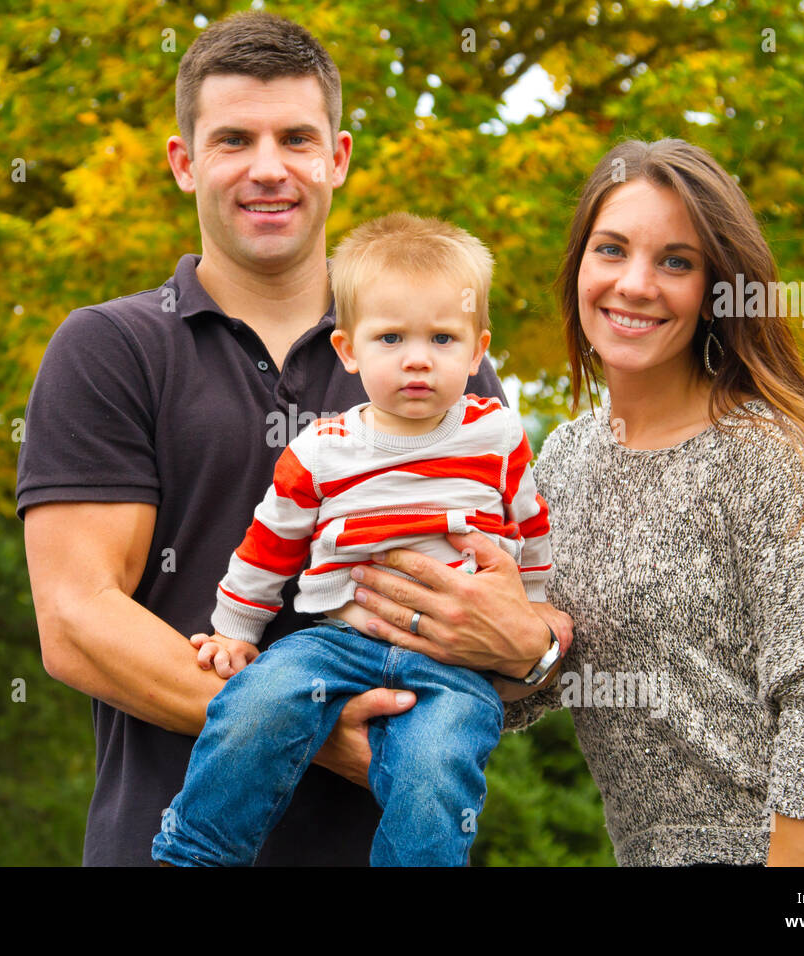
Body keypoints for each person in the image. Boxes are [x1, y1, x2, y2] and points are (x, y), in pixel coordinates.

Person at [16, 11, 561, 866]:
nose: (268, 169)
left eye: (296, 139)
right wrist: (303, 720)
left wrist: (533, 647)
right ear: (183, 161)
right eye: (233, 139)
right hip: (163, 842)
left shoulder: (438, 361)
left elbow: (513, 618)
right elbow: (78, 621)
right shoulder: (111, 349)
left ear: (336, 158)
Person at [494, 138, 804, 866]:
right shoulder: (562, 459)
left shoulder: (757, 453)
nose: (634, 283)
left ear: (718, 287)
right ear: (577, 269)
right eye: (611, 250)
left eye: (676, 262)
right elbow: (538, 676)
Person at [150, 213, 573, 866]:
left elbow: (530, 524)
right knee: (253, 706)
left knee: (437, 767)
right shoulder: (322, 449)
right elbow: (270, 544)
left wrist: (537, 602)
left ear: (477, 348)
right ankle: (198, 851)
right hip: (336, 641)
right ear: (349, 350)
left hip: (452, 661)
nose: (416, 359)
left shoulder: (497, 436)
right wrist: (234, 630)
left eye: (442, 338)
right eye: (391, 338)